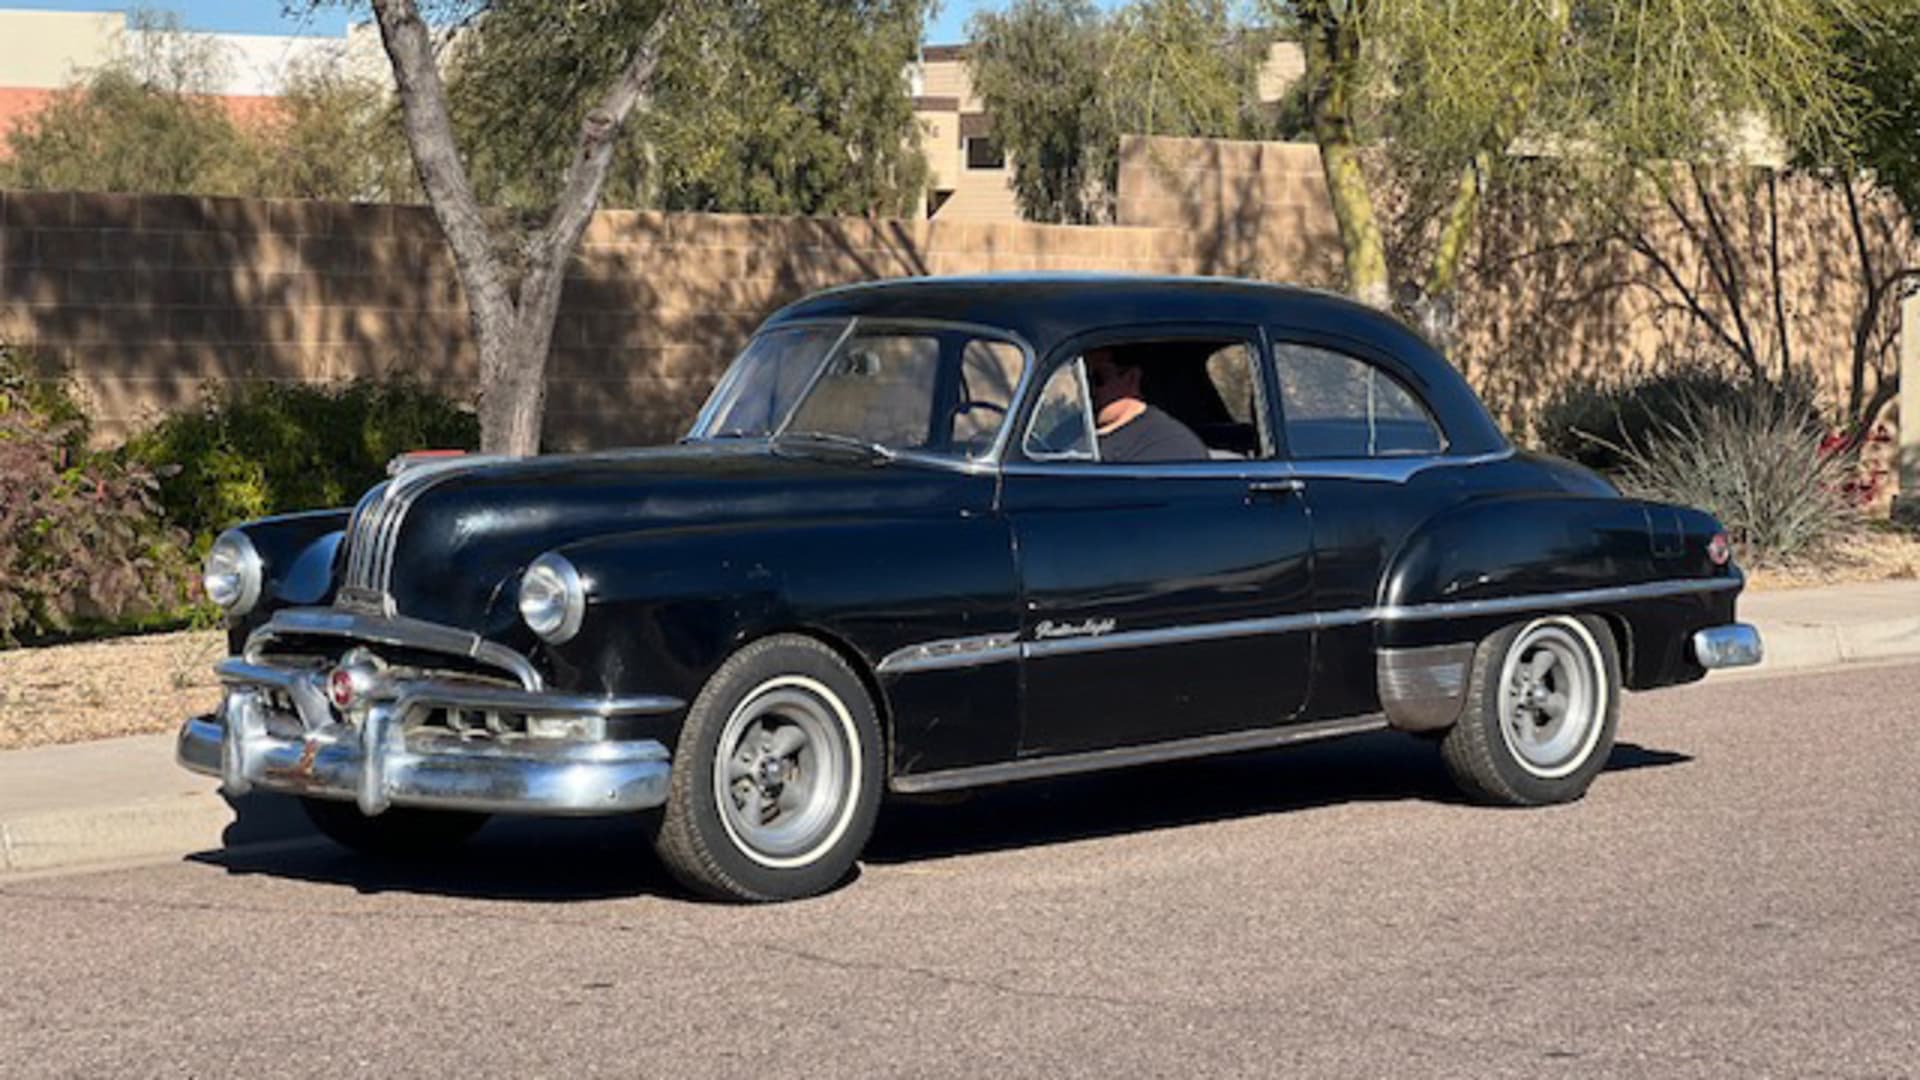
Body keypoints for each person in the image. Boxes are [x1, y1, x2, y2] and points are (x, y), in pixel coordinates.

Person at [1084, 347, 1209, 463]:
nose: (1088, 390)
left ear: (1132, 378)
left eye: (1097, 379)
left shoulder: (1169, 445)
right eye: (1082, 378)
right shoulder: (1075, 431)